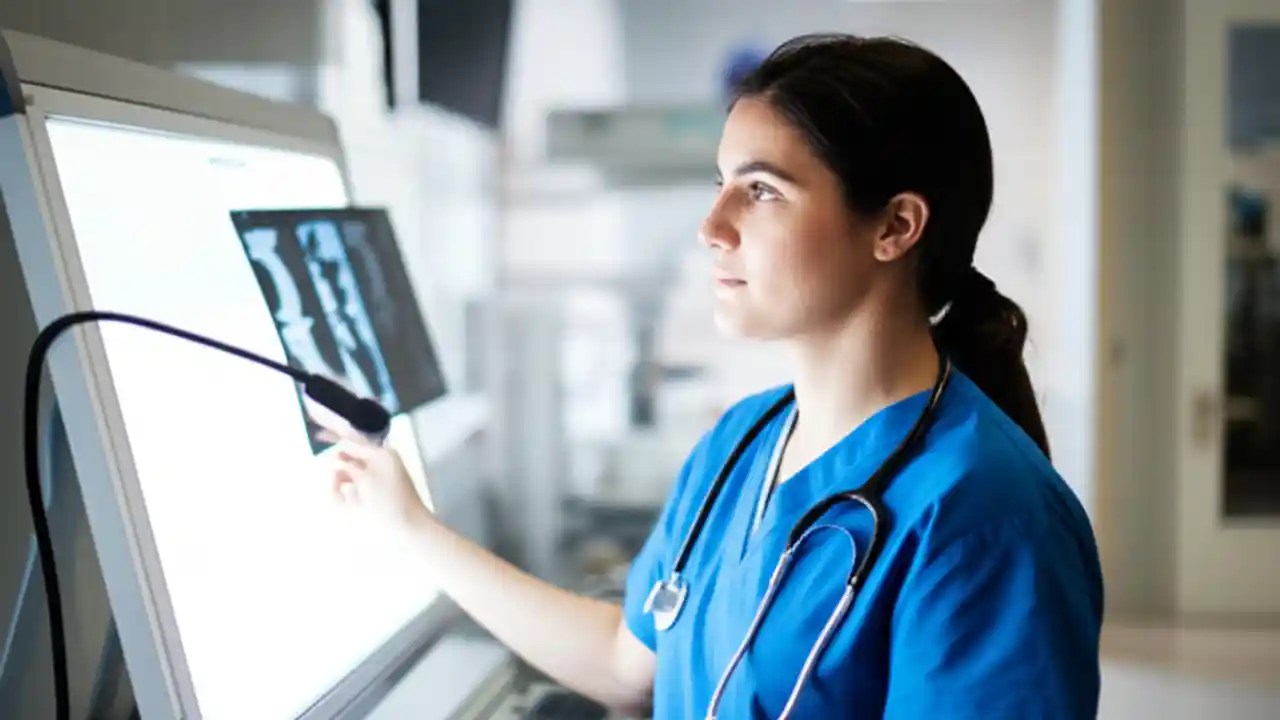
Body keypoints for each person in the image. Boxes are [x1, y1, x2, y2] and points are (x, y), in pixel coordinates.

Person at [323, 33, 1103, 719]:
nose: (711, 226)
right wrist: (412, 528)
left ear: (895, 226)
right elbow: (629, 668)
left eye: (761, 191)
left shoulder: (987, 518)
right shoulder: (741, 444)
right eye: (720, 183)